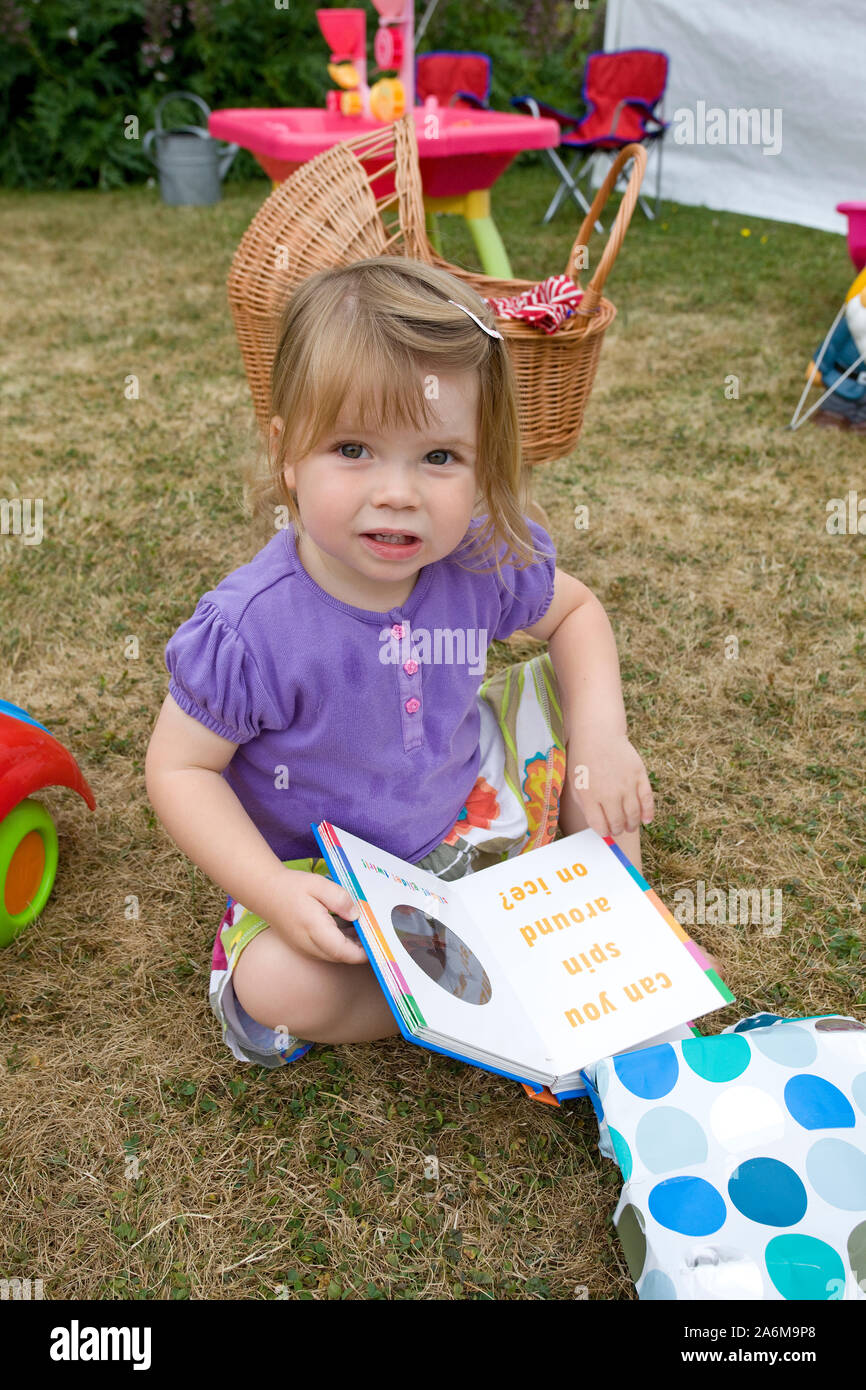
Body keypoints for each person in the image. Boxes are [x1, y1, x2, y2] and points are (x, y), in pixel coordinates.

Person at [144, 255, 657, 1070]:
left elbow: (578, 613)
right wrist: (276, 894)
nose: (398, 492)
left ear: (484, 461)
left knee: (605, 789)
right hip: (333, 874)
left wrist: (600, 738)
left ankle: (601, 932)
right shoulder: (251, 628)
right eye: (353, 448)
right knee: (277, 988)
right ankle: (498, 977)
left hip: (472, 808)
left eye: (439, 458)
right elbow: (179, 771)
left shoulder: (478, 559)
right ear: (287, 454)